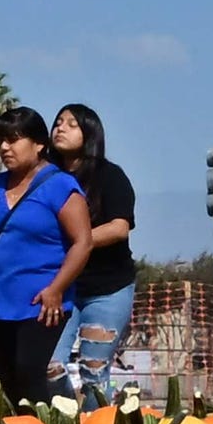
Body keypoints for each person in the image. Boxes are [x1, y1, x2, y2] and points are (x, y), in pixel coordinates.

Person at [0, 105, 92, 408]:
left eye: (13, 139)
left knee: (30, 377)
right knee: (6, 381)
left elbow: (83, 243)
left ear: (39, 144)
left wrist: (56, 289)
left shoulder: (60, 186)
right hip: (0, 301)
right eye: (1, 139)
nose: (4, 147)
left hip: (41, 303)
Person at [45, 102, 137, 403]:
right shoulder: (45, 179)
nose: (61, 127)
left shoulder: (110, 176)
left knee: (94, 372)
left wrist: (78, 242)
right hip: (61, 288)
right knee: (49, 366)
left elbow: (119, 227)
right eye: (58, 122)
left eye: (72, 124)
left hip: (108, 289)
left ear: (90, 134)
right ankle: (66, 423)